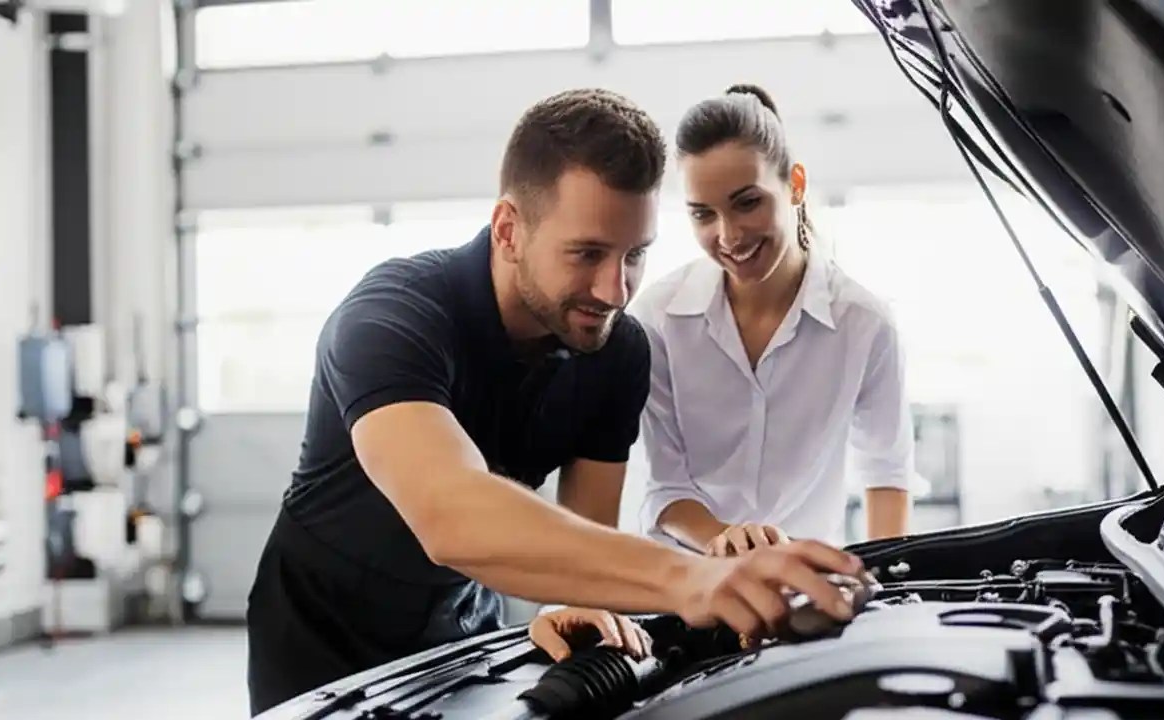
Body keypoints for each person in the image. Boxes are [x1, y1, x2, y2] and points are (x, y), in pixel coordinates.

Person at [246, 88, 871, 716]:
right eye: (588, 253)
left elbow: (587, 534)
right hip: (320, 638)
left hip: (462, 626)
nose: (616, 290)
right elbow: (449, 514)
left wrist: (572, 603)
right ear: (508, 230)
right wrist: (693, 577)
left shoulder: (617, 352)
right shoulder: (392, 316)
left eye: (635, 255)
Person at [631, 84, 915, 558]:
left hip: (808, 582)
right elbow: (664, 487)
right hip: (685, 578)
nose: (728, 236)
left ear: (795, 184)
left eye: (747, 203)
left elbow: (886, 473)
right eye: (703, 214)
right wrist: (729, 544)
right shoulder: (656, 321)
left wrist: (882, 584)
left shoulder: (865, 325)